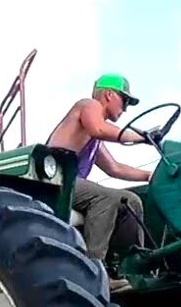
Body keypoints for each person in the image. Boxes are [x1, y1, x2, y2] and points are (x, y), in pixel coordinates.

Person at [46, 73, 161, 292]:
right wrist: (142, 137)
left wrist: (149, 175)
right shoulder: (88, 106)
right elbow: (99, 128)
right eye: (125, 100)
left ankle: (131, 266)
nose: (125, 108)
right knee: (105, 197)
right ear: (109, 94)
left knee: (130, 200)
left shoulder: (94, 138)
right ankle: (93, 270)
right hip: (56, 181)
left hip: (72, 184)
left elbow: (114, 168)